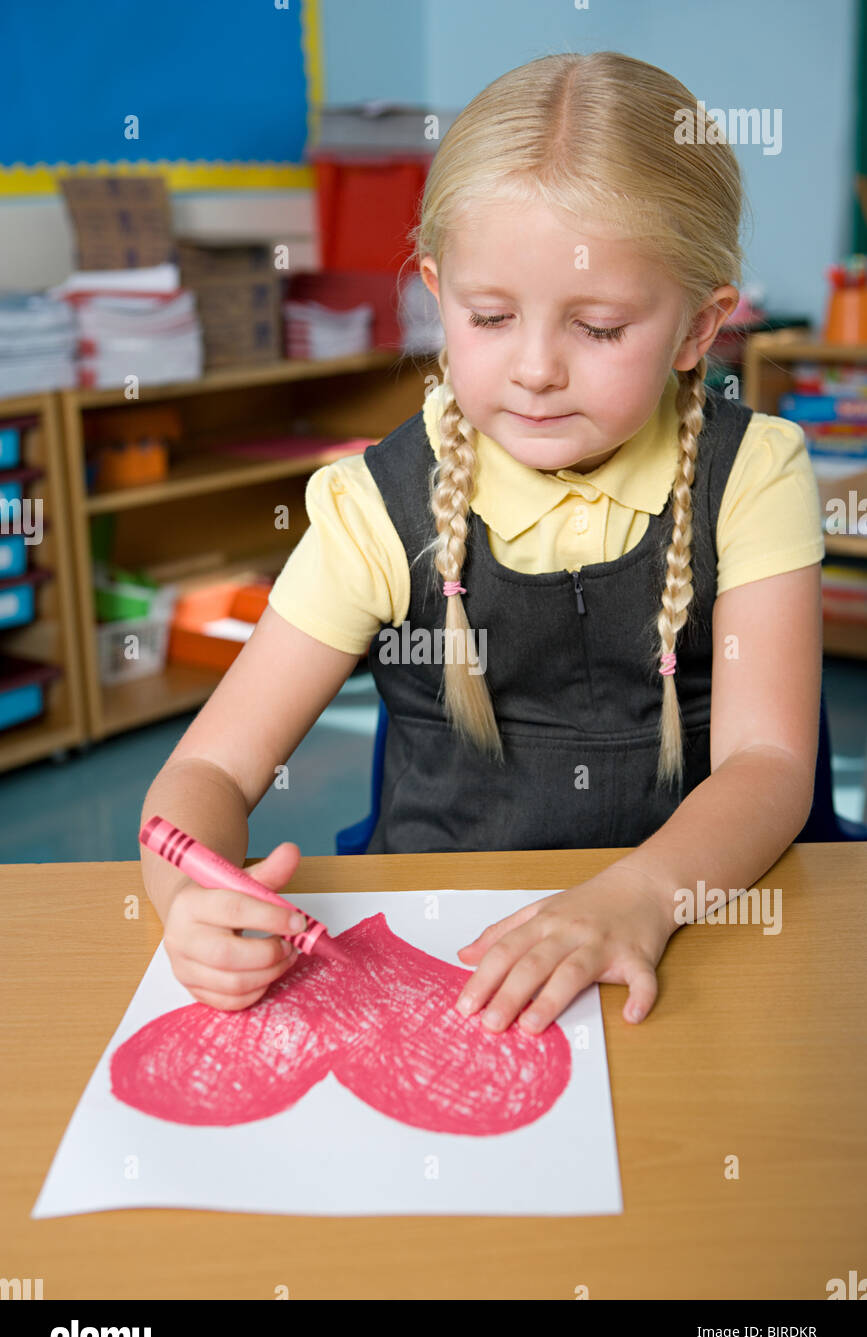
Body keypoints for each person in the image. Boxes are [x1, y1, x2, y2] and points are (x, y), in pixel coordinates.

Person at [141, 51, 824, 1034]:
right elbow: (204, 776)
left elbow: (770, 765)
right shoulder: (373, 504)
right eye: (491, 316)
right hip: (437, 968)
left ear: (697, 328)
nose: (536, 369)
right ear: (436, 292)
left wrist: (638, 897)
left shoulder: (751, 475)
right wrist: (187, 902)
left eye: (597, 327)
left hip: (688, 935)